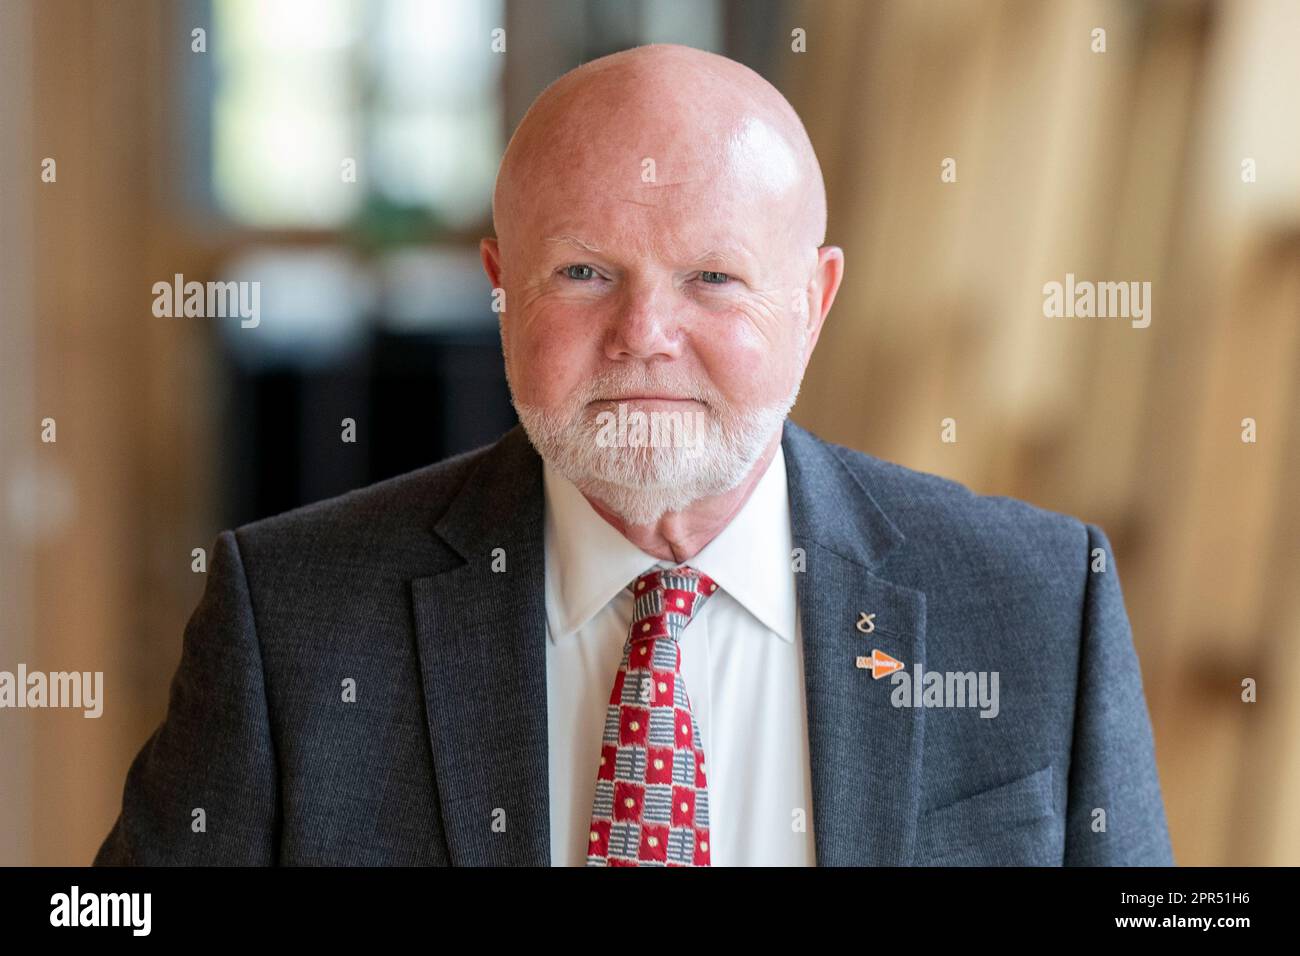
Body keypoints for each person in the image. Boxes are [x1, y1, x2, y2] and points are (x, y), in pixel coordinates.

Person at [94, 43, 1172, 866]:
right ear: (499, 283)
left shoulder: (1035, 603)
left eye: (712, 277)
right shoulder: (290, 615)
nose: (644, 334)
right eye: (581, 273)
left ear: (814, 300)